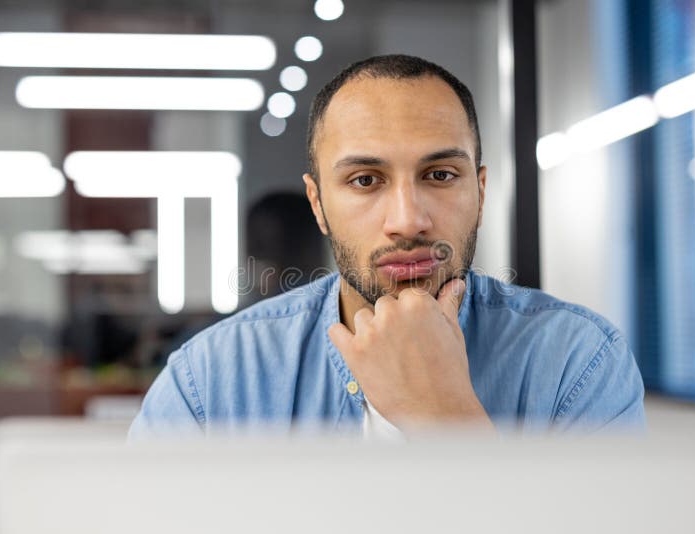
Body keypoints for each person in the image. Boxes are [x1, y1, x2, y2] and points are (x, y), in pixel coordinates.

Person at [128, 55, 645, 439]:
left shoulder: (579, 363)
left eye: (440, 175)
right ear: (318, 204)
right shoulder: (209, 380)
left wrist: (446, 420)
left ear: (481, 192)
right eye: (365, 181)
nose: (407, 221)